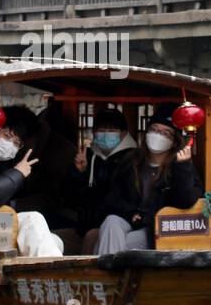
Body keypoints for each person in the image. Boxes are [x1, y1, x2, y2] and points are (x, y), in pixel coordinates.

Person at [93, 104, 202, 255]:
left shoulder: (178, 166)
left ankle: (109, 274)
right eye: (155, 130)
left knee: (118, 243)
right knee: (110, 222)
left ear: (174, 141)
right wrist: (131, 213)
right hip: (128, 219)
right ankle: (113, 272)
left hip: (154, 229)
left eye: (166, 133)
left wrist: (182, 168)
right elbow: (112, 198)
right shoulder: (130, 160)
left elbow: (186, 202)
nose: (159, 135)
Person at [71, 108, 138, 251]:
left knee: (91, 238)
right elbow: (74, 197)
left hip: (119, 223)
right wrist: (81, 173)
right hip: (86, 225)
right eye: (101, 129)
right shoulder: (89, 156)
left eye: (112, 130)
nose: (106, 134)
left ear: (124, 133)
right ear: (94, 133)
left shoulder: (133, 160)